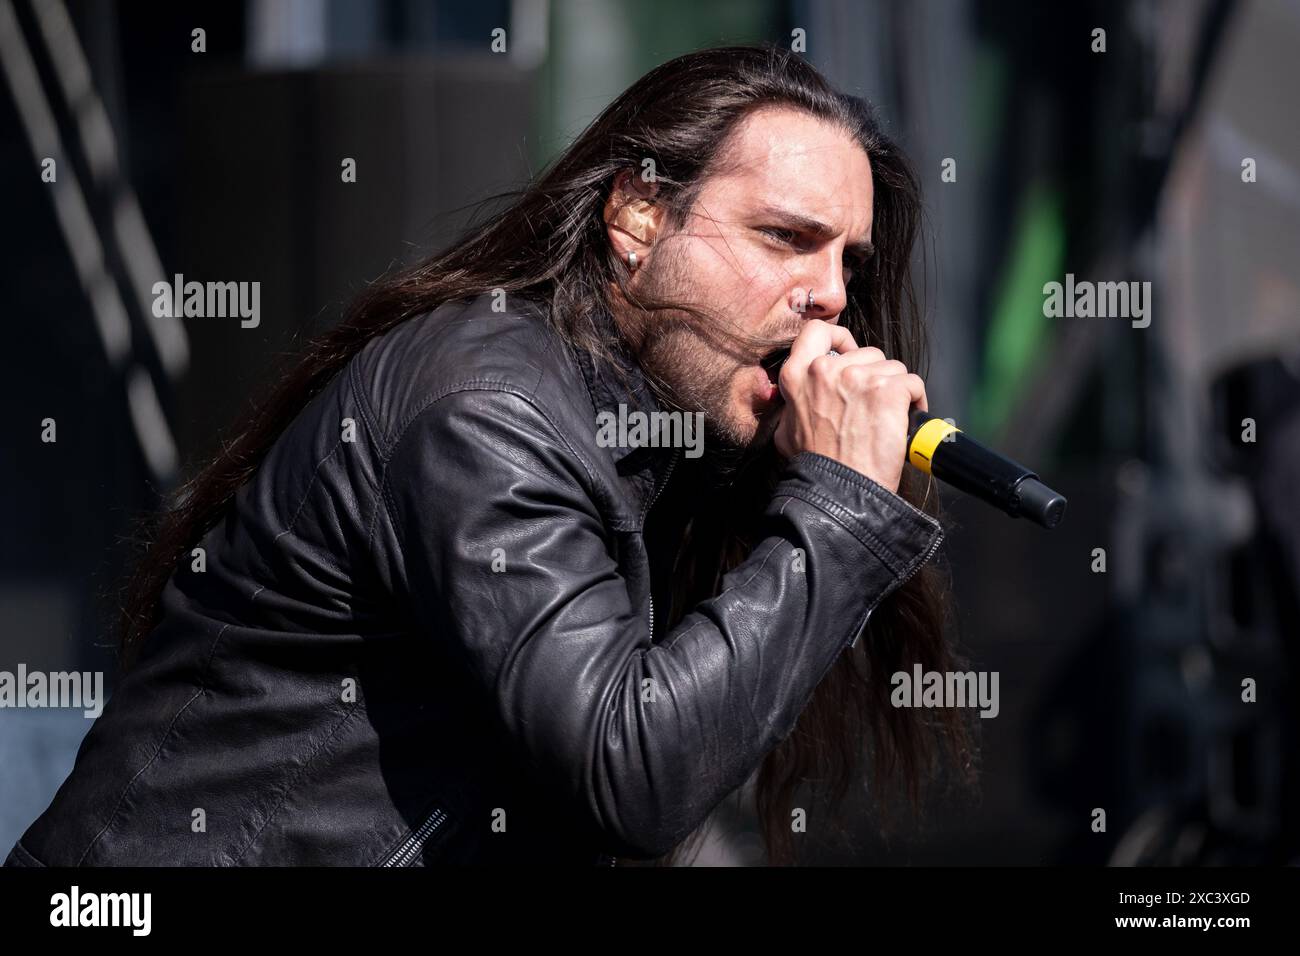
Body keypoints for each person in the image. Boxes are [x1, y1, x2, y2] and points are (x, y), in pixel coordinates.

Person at [6, 44, 972, 868]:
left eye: (849, 259)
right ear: (637, 216)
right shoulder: (486, 411)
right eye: (785, 238)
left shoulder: (661, 443)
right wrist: (838, 507)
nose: (831, 296)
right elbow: (630, 771)